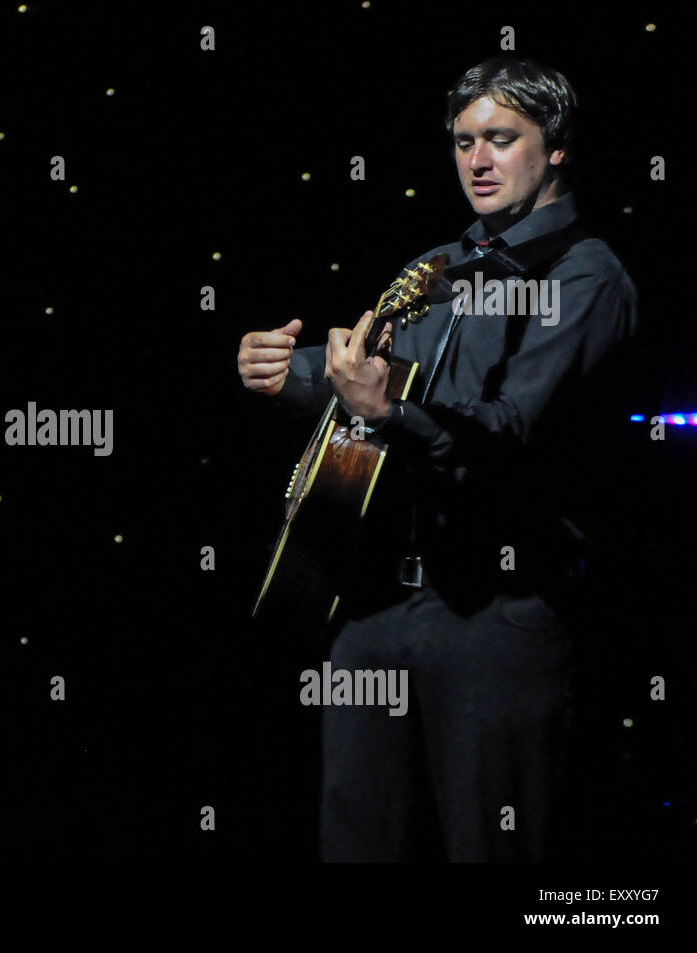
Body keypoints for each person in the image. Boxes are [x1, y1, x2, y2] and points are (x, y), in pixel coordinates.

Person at [237, 57, 638, 861]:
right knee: (356, 839)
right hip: (377, 600)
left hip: (495, 610)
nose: (477, 161)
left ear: (554, 146)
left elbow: (505, 432)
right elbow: (374, 385)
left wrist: (386, 409)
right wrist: (286, 372)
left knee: (492, 843)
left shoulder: (586, 274)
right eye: (463, 142)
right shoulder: (437, 267)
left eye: (501, 139)